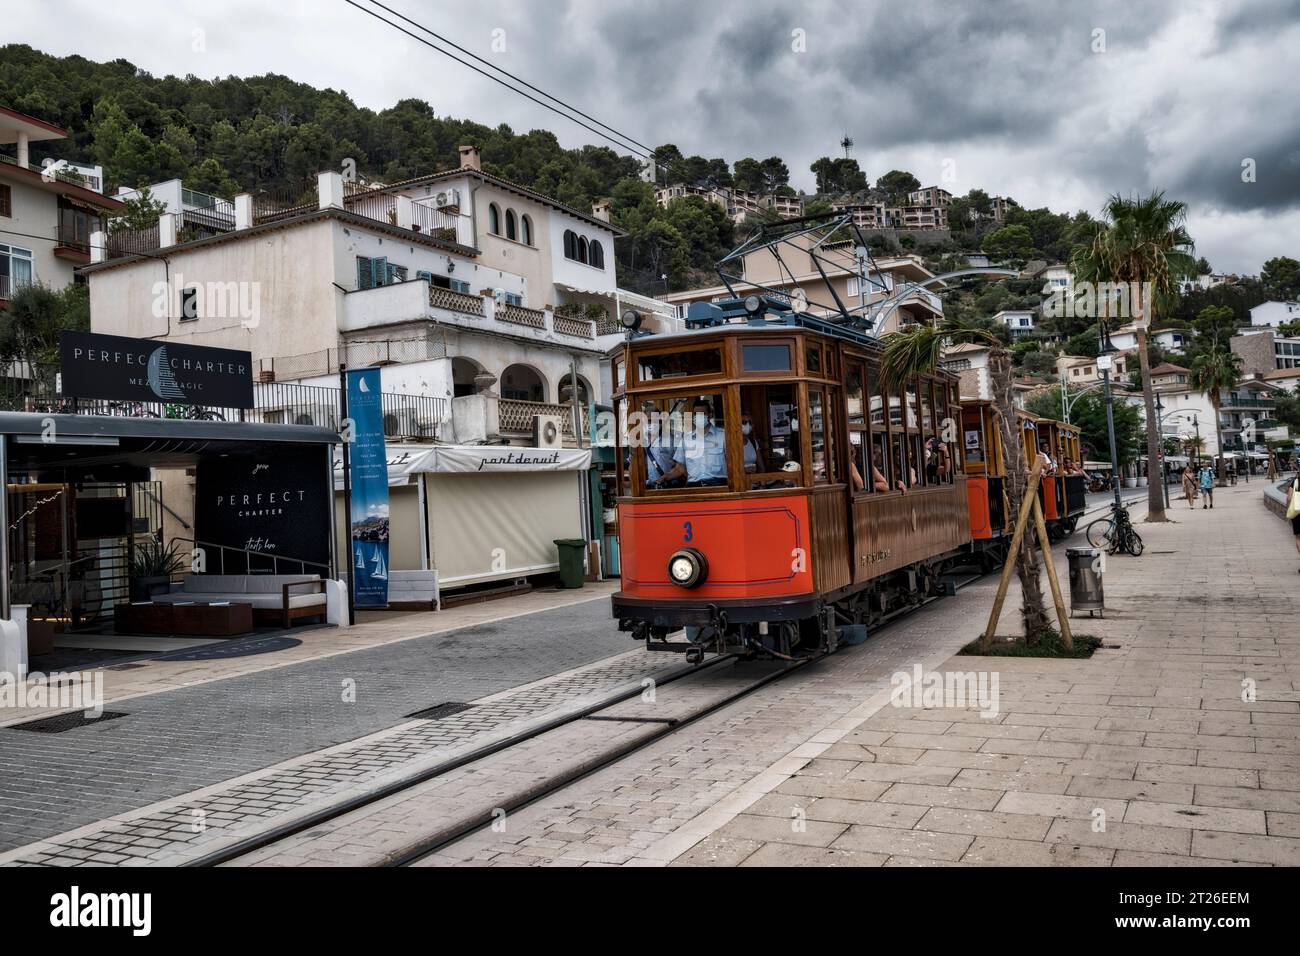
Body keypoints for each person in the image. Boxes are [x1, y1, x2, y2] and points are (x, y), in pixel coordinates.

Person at [661, 399, 727, 487]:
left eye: (702, 414)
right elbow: (680, 469)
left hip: (719, 486)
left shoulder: (723, 436)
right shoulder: (686, 439)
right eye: (696, 414)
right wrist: (665, 477)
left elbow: (733, 464)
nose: (698, 417)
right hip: (694, 487)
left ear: (710, 415)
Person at [642, 404, 680, 490]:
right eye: (648, 421)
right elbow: (632, 465)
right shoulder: (639, 442)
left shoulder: (672, 440)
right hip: (648, 489)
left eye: (653, 421)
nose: (650, 424)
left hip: (670, 487)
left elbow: (680, 467)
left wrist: (668, 476)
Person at [1287, 467, 1300, 572]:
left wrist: (1288, 509)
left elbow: (1289, 498)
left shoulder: (1295, 482)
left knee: (1298, 538)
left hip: (1297, 513)